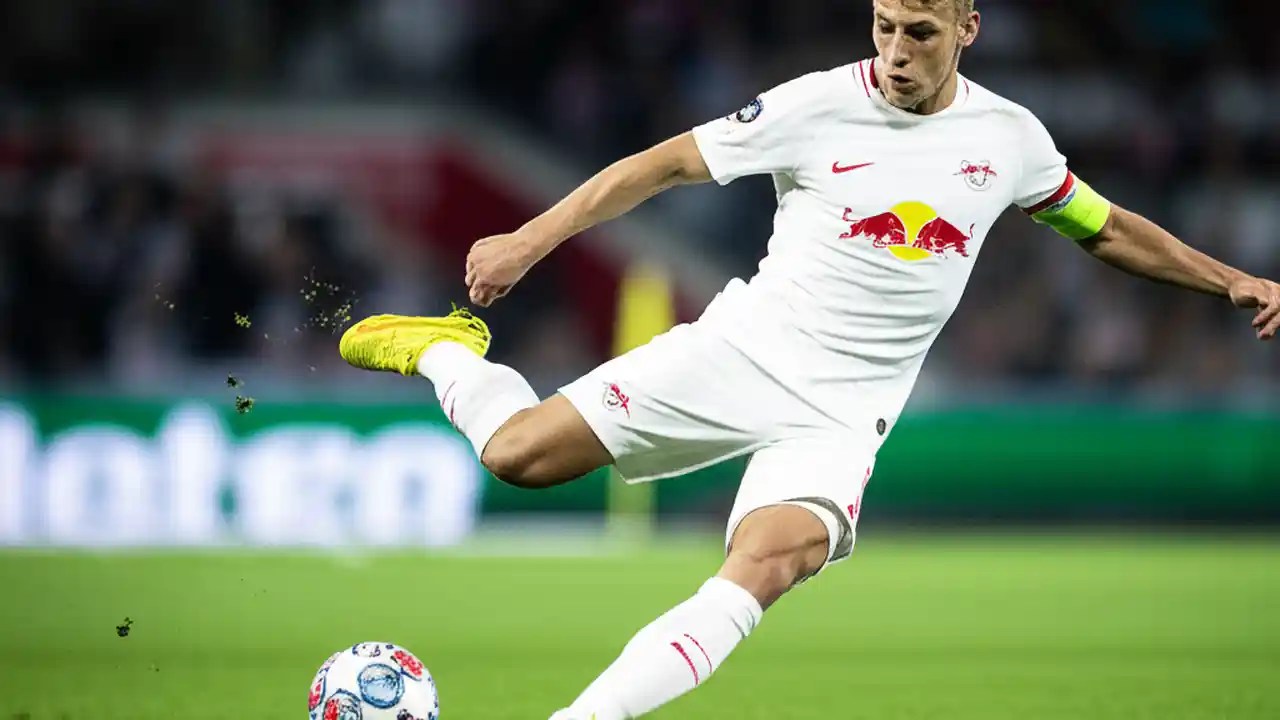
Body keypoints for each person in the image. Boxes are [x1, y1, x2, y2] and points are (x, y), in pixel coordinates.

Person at [339, 0, 1280, 716]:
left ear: (967, 27)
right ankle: (444, 354)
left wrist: (1229, 278)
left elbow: (1103, 227)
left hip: (847, 411)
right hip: (747, 349)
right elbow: (660, 165)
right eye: (882, 28)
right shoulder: (815, 106)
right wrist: (528, 240)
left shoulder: (1011, 140)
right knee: (517, 458)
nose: (897, 53)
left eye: (918, 31)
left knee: (769, 561)